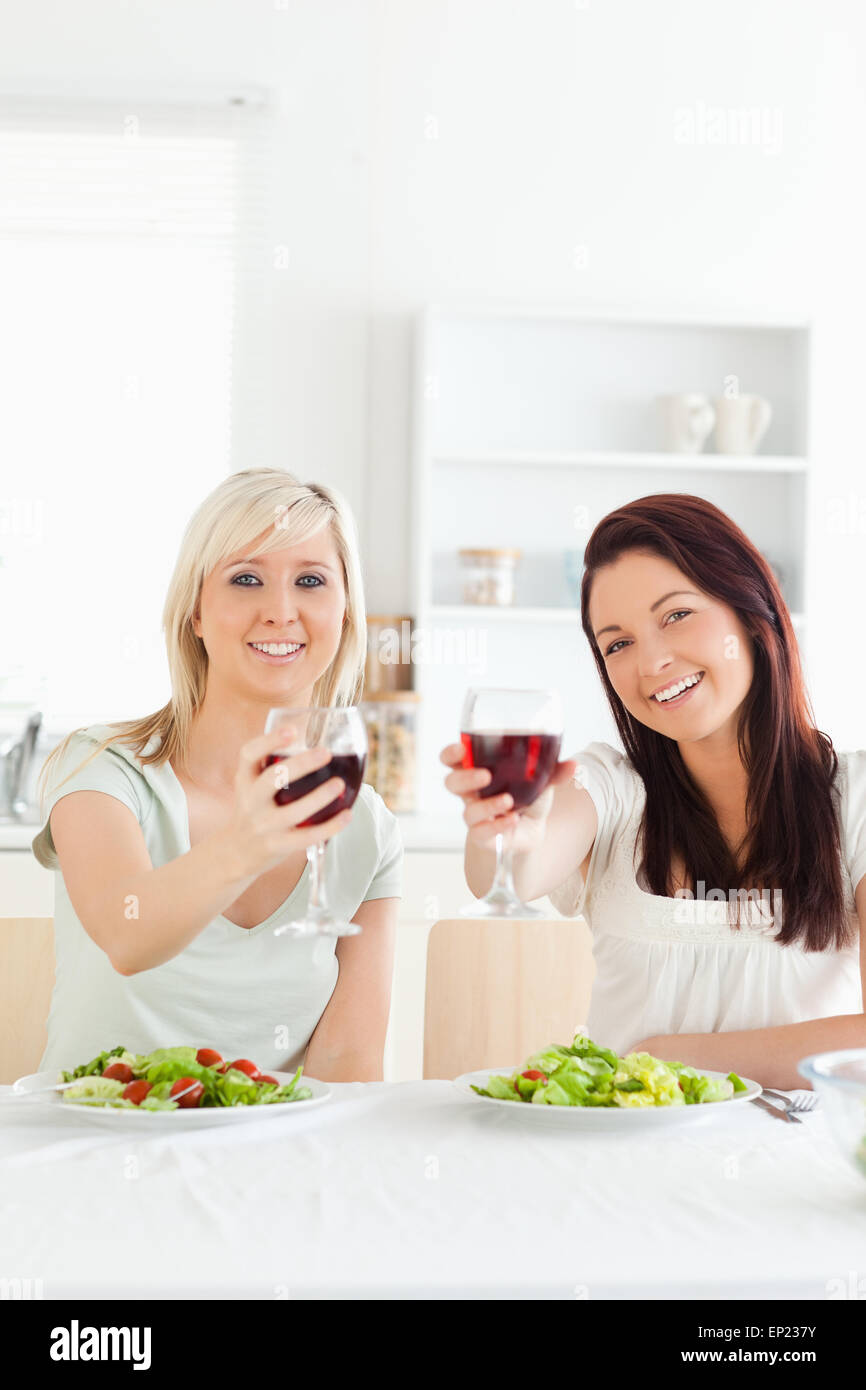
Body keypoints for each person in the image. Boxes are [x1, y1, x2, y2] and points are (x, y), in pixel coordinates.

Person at [441, 493, 866, 1090]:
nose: (652, 661)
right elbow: (508, 873)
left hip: (799, 1165)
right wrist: (507, 831)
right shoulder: (612, 789)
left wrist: (668, 1055)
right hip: (623, 1163)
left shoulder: (854, 798)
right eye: (617, 644)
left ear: (750, 610)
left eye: (676, 616)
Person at [33, 468, 401, 1083]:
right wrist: (249, 842)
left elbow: (347, 1064)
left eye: (310, 581)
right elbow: (128, 937)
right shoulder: (102, 769)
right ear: (196, 614)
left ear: (344, 615)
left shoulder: (366, 828)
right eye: (246, 579)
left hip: (258, 1160)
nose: (280, 611)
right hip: (92, 1148)